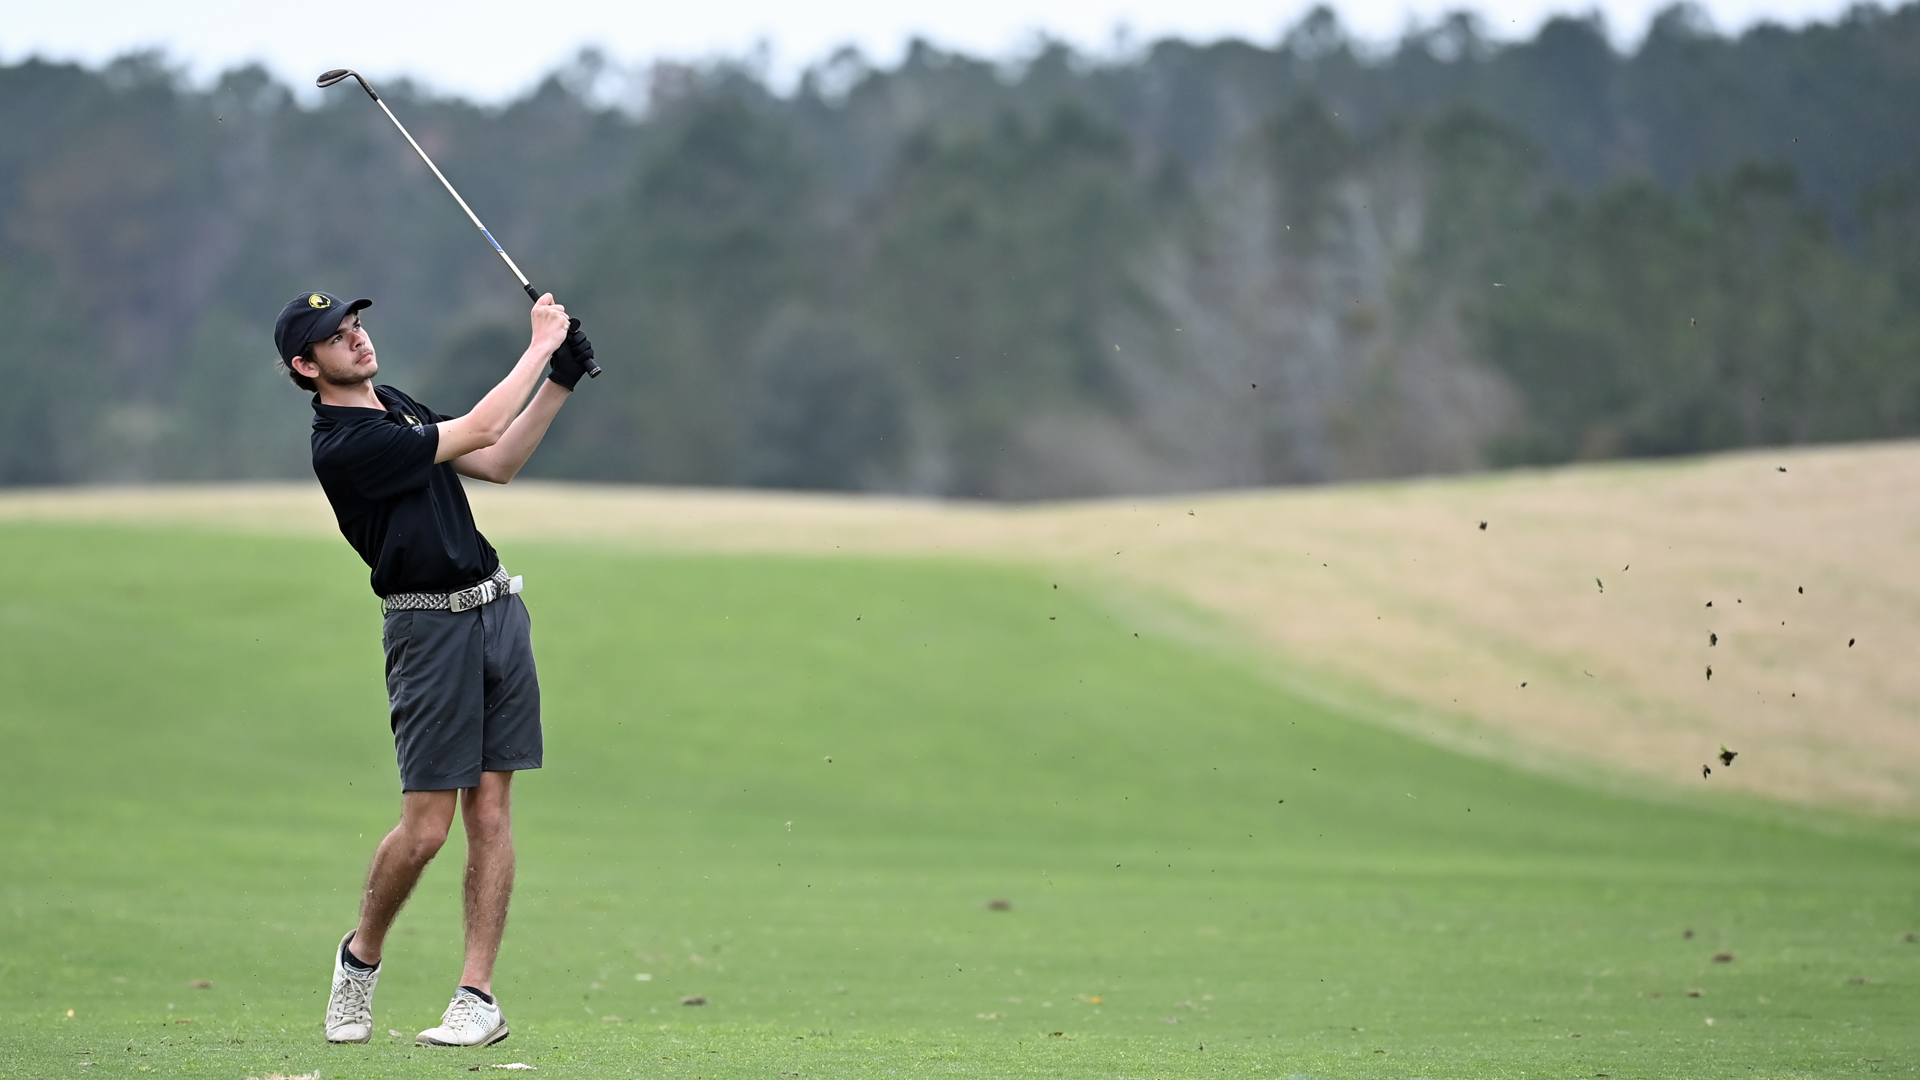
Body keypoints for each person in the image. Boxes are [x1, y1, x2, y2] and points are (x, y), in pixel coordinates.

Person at [272, 289, 596, 1048]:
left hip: (497, 610)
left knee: (491, 811)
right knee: (426, 830)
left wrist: (559, 382)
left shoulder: (394, 405)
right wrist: (540, 346)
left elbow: (496, 459)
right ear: (305, 366)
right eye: (336, 337)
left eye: (355, 325)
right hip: (427, 629)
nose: (357, 339)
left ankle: (476, 997)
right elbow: (480, 425)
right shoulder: (343, 446)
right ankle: (360, 959)